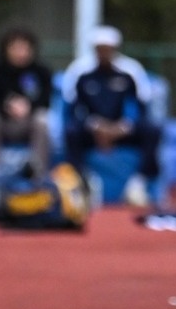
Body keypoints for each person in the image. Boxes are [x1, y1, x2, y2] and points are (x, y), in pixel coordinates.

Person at [62, 25, 160, 199]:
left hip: (122, 129)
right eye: (100, 49)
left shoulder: (131, 70)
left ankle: (139, 183)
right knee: (71, 131)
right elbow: (72, 109)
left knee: (152, 130)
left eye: (108, 49)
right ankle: (84, 180)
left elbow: (142, 107)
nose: (104, 53)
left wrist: (123, 127)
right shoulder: (79, 71)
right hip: (92, 130)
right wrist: (95, 126)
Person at [0, 25, 53, 178]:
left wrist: (28, 107)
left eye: (25, 48)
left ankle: (39, 172)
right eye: (16, 48)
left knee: (42, 120)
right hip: (3, 121)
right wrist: (8, 107)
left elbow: (46, 101)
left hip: (29, 122)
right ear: (6, 49)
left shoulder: (42, 71)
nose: (21, 53)